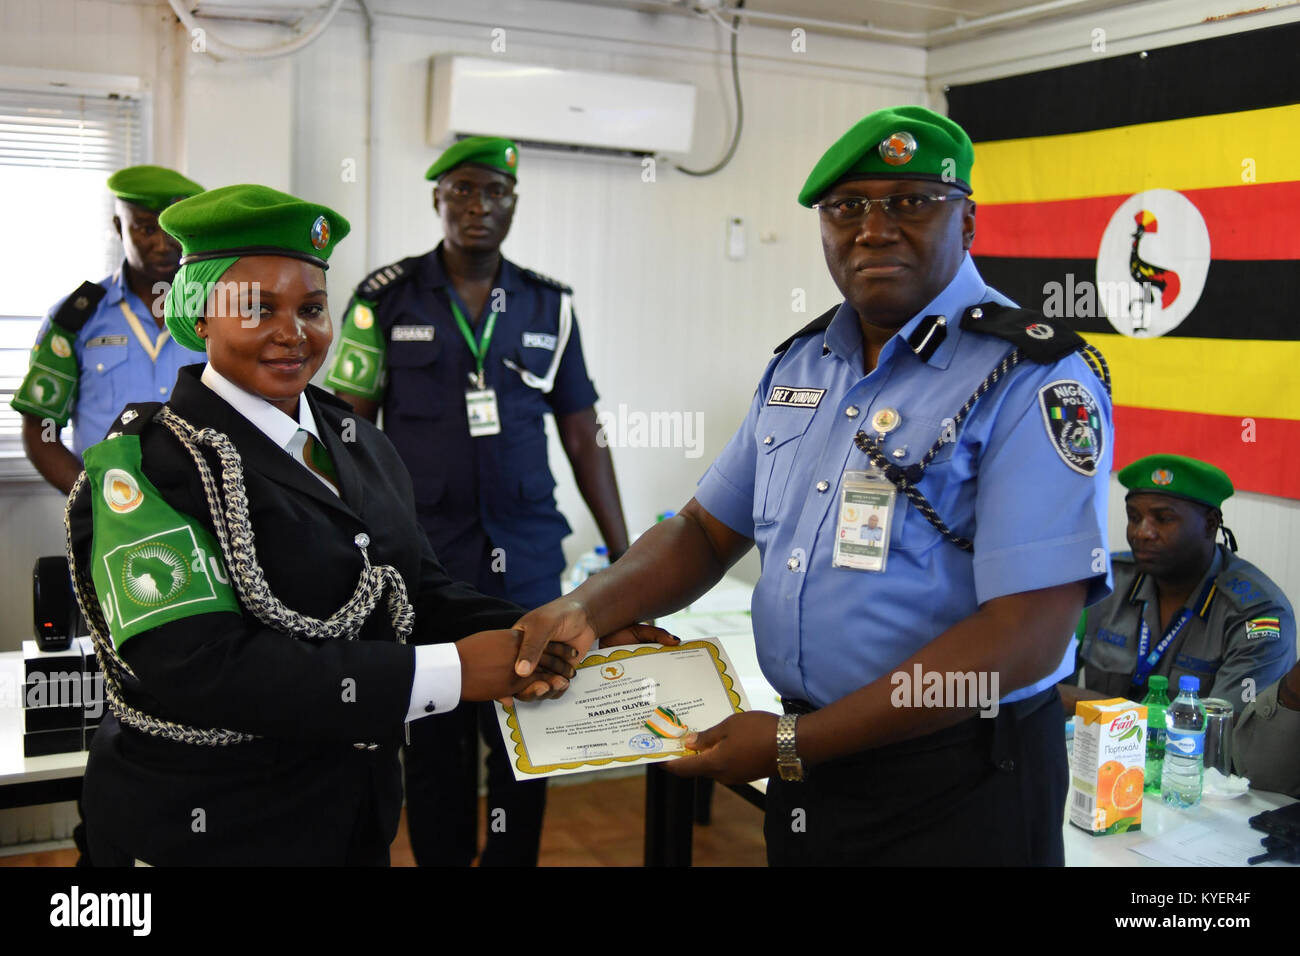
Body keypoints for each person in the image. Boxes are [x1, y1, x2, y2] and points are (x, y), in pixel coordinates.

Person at [510, 106, 1115, 865]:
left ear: (967, 223)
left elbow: (1029, 634)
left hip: (959, 778)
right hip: (811, 764)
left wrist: (795, 743)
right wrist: (586, 607)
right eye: (846, 207)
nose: (873, 228)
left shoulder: (1035, 377)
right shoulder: (802, 363)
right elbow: (704, 530)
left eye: (910, 202)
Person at [64, 184, 617, 866]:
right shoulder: (146, 466)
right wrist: (447, 673)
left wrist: (569, 628)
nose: (293, 333)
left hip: (350, 816)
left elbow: (415, 588)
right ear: (198, 316)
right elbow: (203, 669)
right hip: (208, 830)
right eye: (257, 309)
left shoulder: (357, 439)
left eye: (312, 308)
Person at [326, 136, 629, 866]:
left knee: (531, 733)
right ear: (438, 200)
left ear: (512, 205)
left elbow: (584, 435)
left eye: (493, 192)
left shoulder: (548, 306)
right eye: (462, 190)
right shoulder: (382, 297)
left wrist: (626, 559)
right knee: (433, 740)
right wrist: (354, 548)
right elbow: (346, 430)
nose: (477, 206)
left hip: (525, 556)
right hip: (425, 560)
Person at [13, 165, 204, 494]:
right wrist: (91, 500)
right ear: (119, 226)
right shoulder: (77, 318)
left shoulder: (214, 312)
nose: (163, 244)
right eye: (146, 229)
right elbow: (40, 428)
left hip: (203, 508)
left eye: (173, 230)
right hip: (109, 511)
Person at [1063, 454, 1295, 718]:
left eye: (1163, 519)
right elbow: (1049, 683)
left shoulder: (1257, 614)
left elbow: (1223, 730)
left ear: (1210, 524)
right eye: (1134, 517)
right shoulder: (1107, 582)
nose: (1142, 532)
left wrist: (1084, 703)